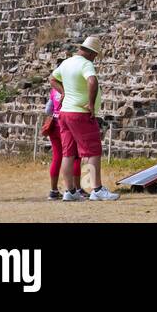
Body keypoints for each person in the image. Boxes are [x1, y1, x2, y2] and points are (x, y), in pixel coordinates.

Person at [50, 35, 119, 201]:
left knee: (68, 154)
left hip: (64, 113)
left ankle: (70, 191)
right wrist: (90, 103)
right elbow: (92, 81)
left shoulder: (66, 62)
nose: (95, 59)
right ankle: (97, 189)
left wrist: (64, 92)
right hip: (80, 114)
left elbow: (52, 79)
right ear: (91, 53)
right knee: (93, 151)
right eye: (95, 55)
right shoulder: (86, 64)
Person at [44, 85, 81, 200]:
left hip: (54, 126)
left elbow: (47, 110)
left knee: (57, 157)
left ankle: (53, 190)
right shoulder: (69, 89)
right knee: (74, 157)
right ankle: (76, 188)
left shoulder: (54, 90)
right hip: (66, 125)